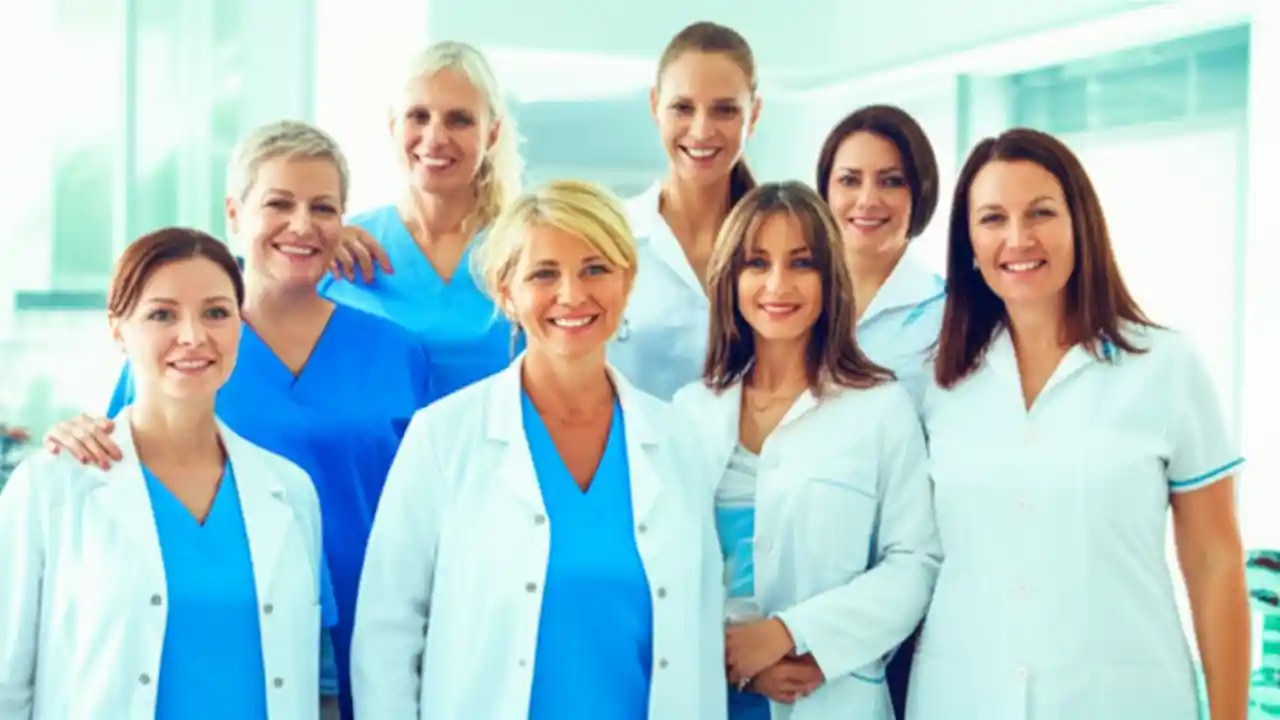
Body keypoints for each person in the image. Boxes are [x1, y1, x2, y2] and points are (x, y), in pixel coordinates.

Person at [40, 120, 433, 720]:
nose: (301, 225)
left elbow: (430, 507)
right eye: (278, 203)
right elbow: (119, 469)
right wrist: (75, 433)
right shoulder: (187, 351)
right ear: (234, 213)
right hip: (219, 634)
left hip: (372, 632)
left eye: (322, 207)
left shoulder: (395, 352)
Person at [350, 180, 727, 719]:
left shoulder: (677, 441)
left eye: (595, 269)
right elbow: (387, 629)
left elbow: (700, 630)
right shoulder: (443, 437)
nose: (571, 295)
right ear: (506, 292)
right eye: (544, 274)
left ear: (627, 280)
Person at [907, 128, 1250, 720]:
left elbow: (1214, 561)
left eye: (1041, 213)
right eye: (992, 219)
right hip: (962, 696)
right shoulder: (932, 381)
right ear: (969, 245)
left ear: (1081, 225)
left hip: (1124, 700)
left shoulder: (1165, 367)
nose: (1019, 238)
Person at [0, 228, 329, 718]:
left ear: (240, 325)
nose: (193, 336)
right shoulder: (51, 487)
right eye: (162, 314)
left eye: (216, 313)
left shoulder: (290, 490)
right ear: (118, 329)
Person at [673, 181, 940, 719]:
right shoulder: (688, 412)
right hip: (708, 692)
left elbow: (914, 563)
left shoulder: (879, 408)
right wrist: (734, 658)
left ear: (830, 278)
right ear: (731, 278)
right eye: (757, 263)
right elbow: (663, 567)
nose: (778, 284)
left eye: (801, 263)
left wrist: (792, 634)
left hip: (828, 692)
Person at [813, 104, 945, 715]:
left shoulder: (954, 317)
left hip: (909, 587)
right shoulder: (788, 303)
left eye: (891, 180)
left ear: (920, 194)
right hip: (803, 578)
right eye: (850, 179)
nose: (868, 199)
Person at [320, 40, 524, 398]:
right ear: (393, 126)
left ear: (492, 133)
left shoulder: (524, 246)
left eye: (459, 120)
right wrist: (316, 245)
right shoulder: (343, 249)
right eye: (418, 116)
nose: (435, 137)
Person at [606, 21, 762, 400]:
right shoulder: (609, 238)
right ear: (654, 106)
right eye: (682, 108)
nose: (701, 130)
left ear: (754, 115)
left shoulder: (783, 248)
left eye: (725, 110)